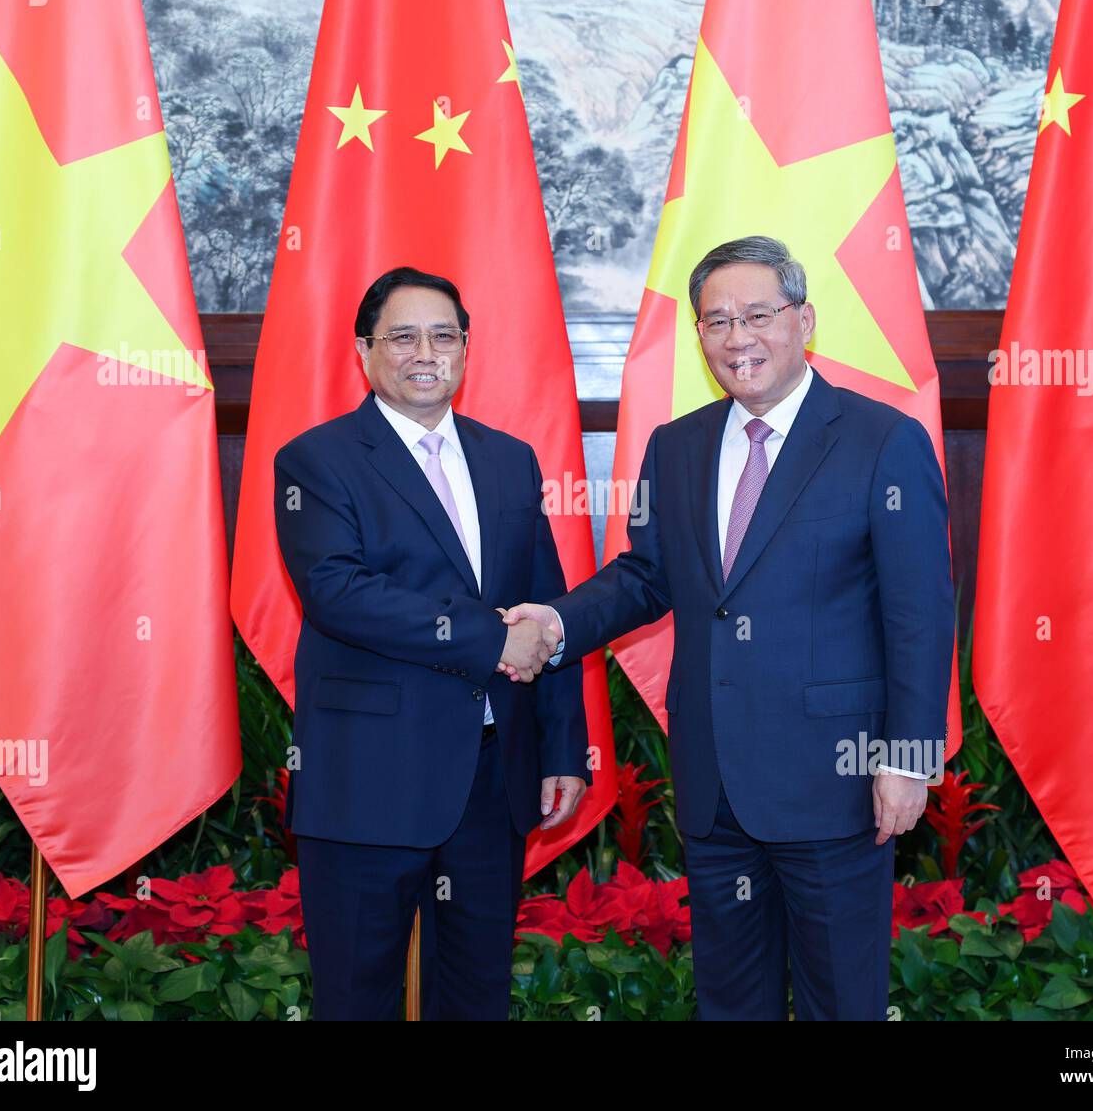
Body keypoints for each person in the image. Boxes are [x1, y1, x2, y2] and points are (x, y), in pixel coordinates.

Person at [501, 236, 955, 1020]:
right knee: (729, 1003)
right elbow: (647, 576)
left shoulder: (883, 440)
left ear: (804, 320)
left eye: (757, 315)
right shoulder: (677, 448)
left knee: (840, 1002)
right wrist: (556, 622)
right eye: (717, 322)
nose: (738, 337)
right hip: (715, 786)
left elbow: (921, 613)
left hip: (839, 783)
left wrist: (910, 759)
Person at [274, 266, 589, 1020]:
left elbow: (545, 611)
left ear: (466, 349)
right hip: (368, 780)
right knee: (356, 999)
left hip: (492, 780)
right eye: (403, 336)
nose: (426, 352)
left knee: (476, 997)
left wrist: (561, 748)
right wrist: (491, 642)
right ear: (364, 351)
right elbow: (339, 593)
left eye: (443, 335)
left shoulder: (509, 459)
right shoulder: (317, 460)